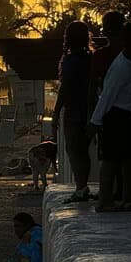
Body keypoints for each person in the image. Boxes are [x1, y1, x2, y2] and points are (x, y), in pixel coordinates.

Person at [89, 19, 131, 212]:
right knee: (111, 160)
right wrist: (95, 121)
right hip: (115, 116)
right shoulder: (120, 67)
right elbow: (107, 95)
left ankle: (130, 197)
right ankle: (105, 200)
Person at [52, 20, 92, 202]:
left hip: (74, 111)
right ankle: (82, 187)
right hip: (89, 109)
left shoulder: (69, 60)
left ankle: (81, 187)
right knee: (83, 150)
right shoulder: (91, 58)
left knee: (74, 150)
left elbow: (65, 88)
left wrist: (55, 113)